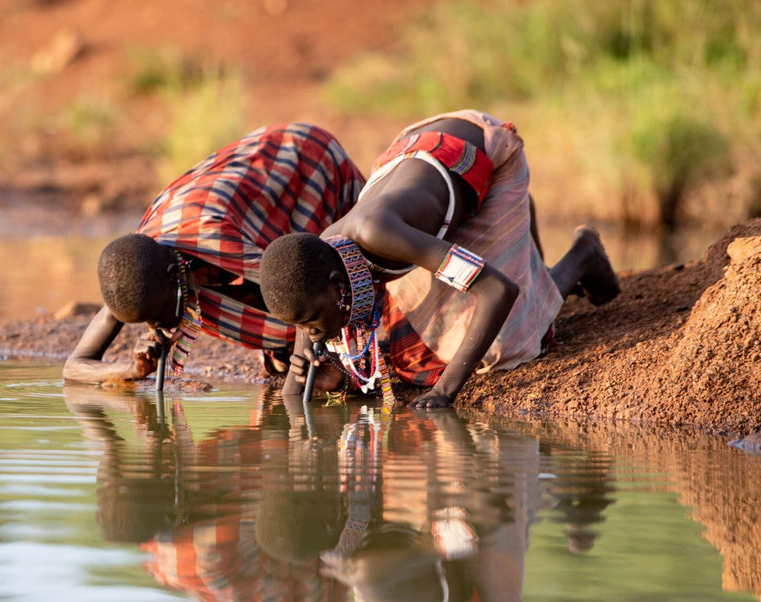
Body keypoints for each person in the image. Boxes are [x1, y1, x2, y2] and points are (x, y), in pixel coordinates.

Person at [259, 110, 621, 408]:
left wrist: (446, 391)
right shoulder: (320, 264)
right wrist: (330, 383)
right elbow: (295, 390)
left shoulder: (377, 235)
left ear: (338, 286)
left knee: (503, 345)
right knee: (412, 353)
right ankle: (516, 236)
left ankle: (583, 254)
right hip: (416, 164)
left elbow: (498, 289)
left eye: (308, 324)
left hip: (477, 152)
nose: (307, 335)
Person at [63, 122, 365, 384]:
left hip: (304, 162)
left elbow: (295, 287)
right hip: (237, 203)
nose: (157, 328)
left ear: (173, 277)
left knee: (337, 283)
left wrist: (295, 386)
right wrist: (130, 368)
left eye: (157, 317)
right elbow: (74, 367)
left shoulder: (211, 237)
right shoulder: (135, 273)